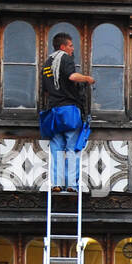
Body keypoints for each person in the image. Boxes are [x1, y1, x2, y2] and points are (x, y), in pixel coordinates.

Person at [40, 32, 94, 192]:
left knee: (56, 148)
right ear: (63, 46)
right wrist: (87, 79)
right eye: (70, 45)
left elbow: (46, 90)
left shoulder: (47, 64)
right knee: (72, 148)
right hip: (69, 110)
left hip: (53, 112)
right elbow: (72, 76)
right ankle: (71, 184)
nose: (72, 48)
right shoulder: (65, 58)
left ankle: (56, 183)